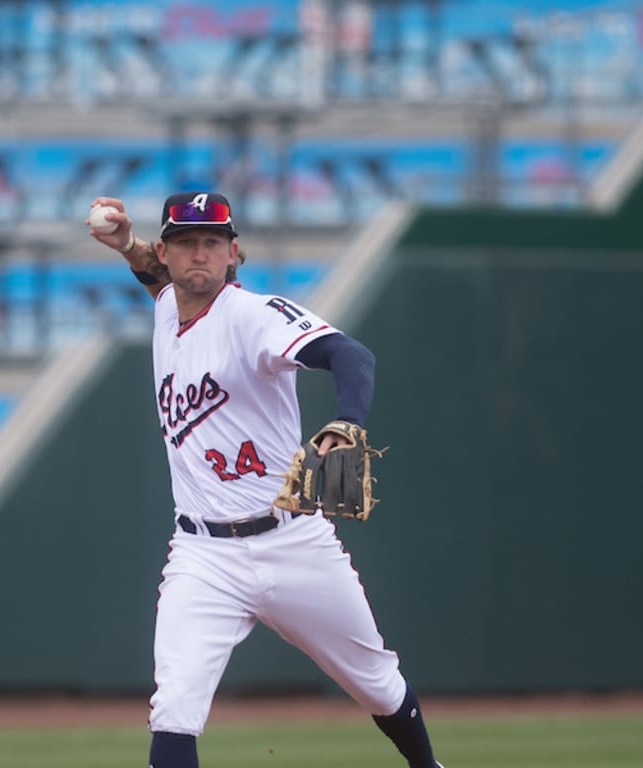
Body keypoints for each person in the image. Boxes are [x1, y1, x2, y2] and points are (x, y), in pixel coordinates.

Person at [86, 192, 443, 768]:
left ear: (234, 253)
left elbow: (352, 356)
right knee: (174, 708)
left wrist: (347, 421)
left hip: (292, 541)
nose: (197, 255)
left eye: (211, 243)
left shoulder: (254, 316)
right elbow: (155, 280)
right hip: (202, 555)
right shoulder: (165, 308)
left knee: (377, 682)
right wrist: (127, 246)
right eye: (183, 243)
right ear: (167, 252)